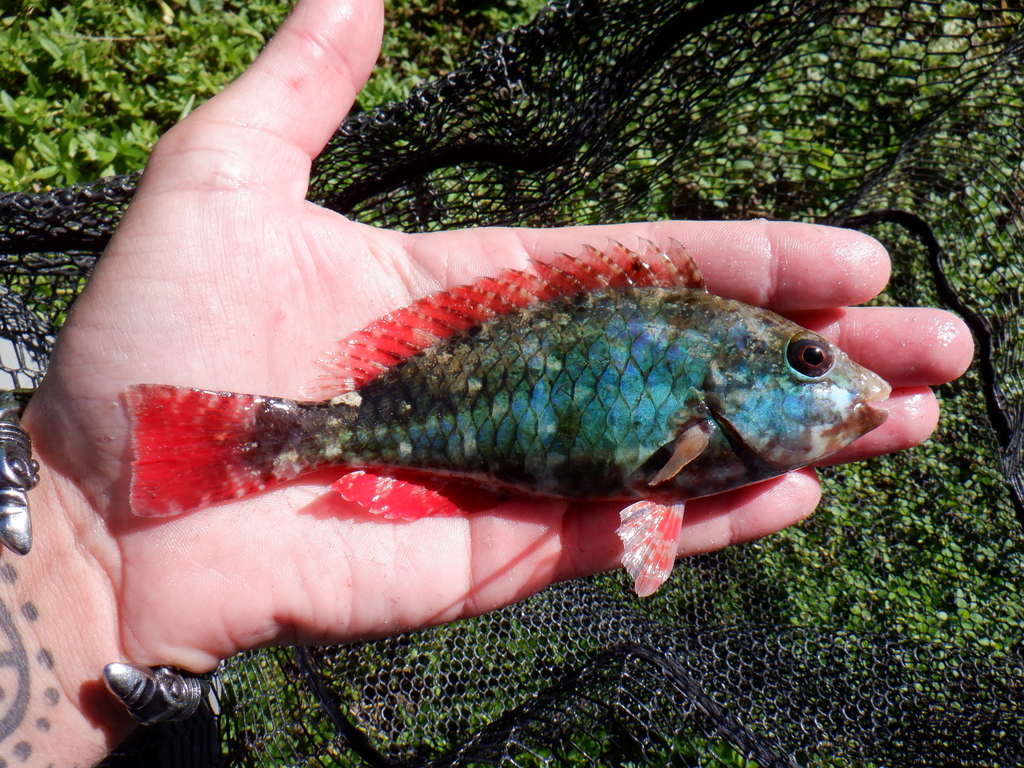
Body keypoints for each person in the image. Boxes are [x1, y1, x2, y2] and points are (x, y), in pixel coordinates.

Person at [0, 0, 973, 763]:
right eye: (809, 361)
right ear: (735, 372)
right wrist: (78, 527)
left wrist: (81, 571)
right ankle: (255, 451)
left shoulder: (711, 414)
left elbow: (656, 489)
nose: (843, 385)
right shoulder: (705, 387)